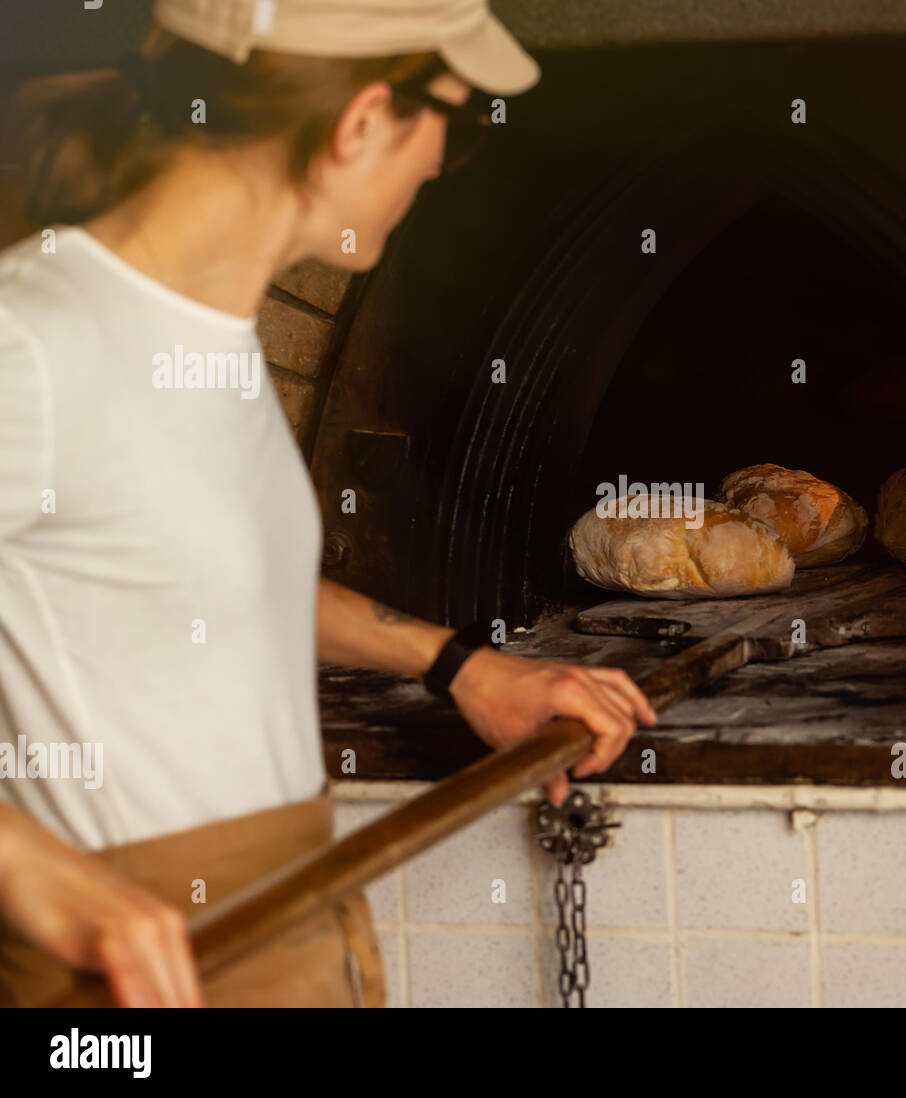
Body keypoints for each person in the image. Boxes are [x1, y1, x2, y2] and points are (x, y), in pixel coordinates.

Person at [0, 0, 655, 1008]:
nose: (441, 159)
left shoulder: (205, 338)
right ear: (357, 124)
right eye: (453, 118)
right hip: (127, 977)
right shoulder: (33, 342)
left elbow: (197, 584)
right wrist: (30, 874)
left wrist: (460, 666)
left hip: (279, 916)